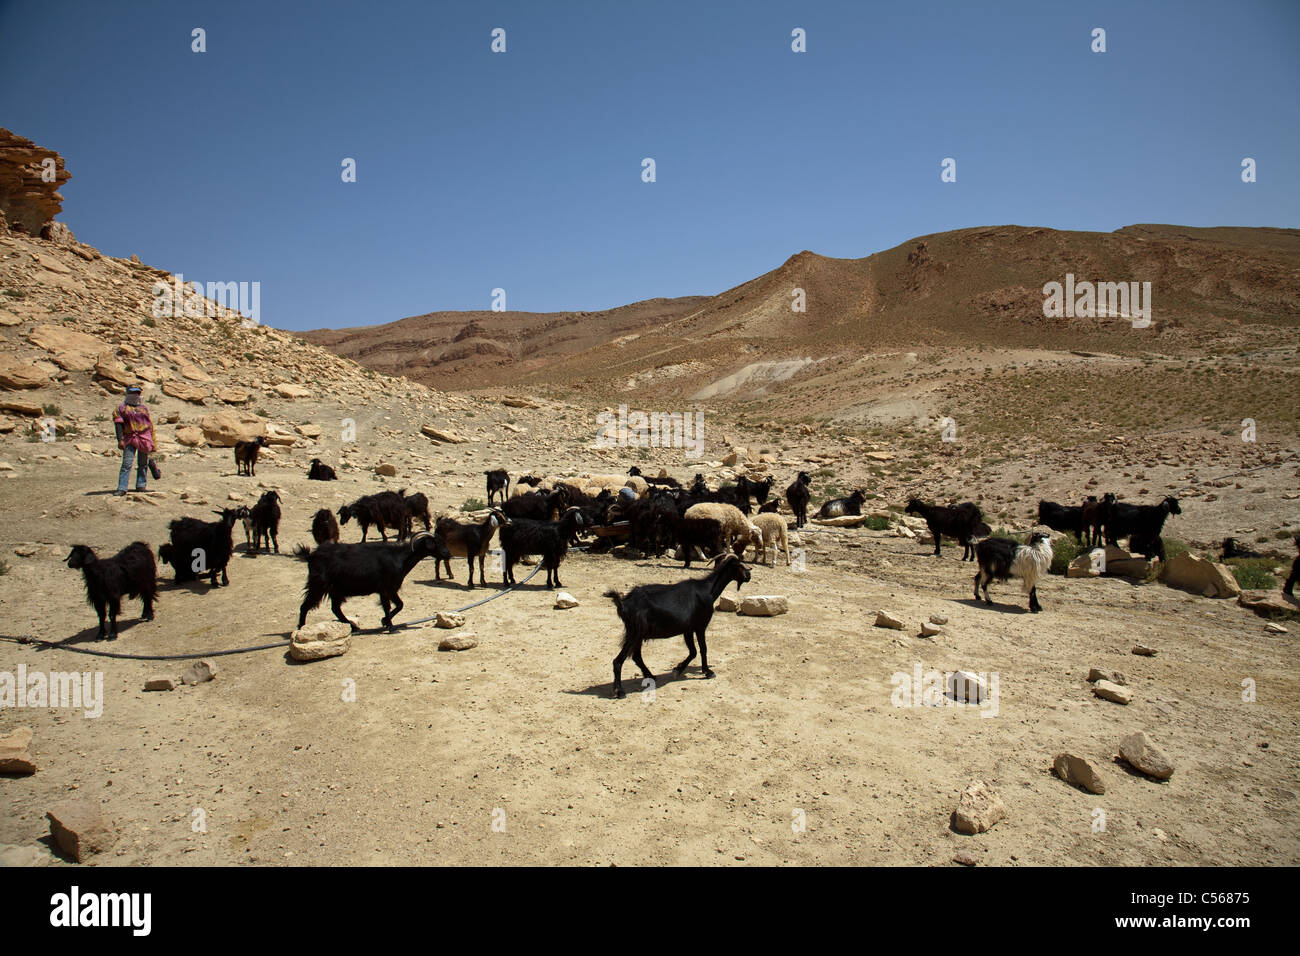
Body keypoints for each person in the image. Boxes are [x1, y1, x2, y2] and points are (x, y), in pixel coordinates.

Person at [113, 386, 156, 495]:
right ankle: (122, 488)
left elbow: (150, 425)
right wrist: (120, 439)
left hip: (144, 438)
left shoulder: (144, 409)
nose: (135, 395)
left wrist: (153, 441)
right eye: (133, 393)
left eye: (137, 393)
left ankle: (141, 485)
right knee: (127, 464)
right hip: (130, 437)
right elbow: (118, 424)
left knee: (143, 463)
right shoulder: (121, 408)